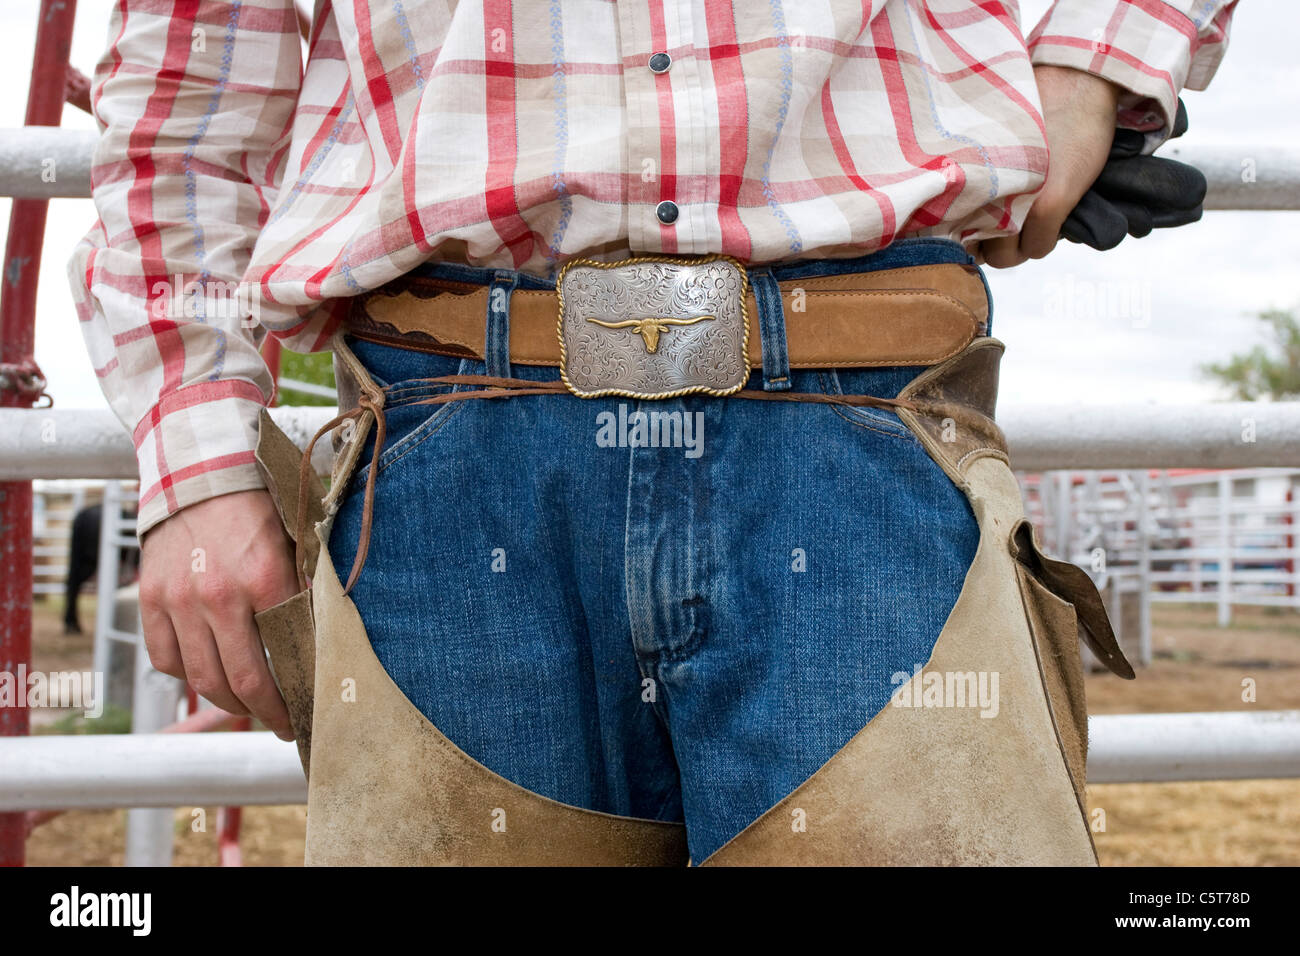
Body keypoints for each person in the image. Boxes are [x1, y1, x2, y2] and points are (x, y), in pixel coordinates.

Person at [70, 0, 1236, 865]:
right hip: (449, 465)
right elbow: (185, 116)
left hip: (864, 434)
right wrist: (205, 464)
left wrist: (1096, 59)